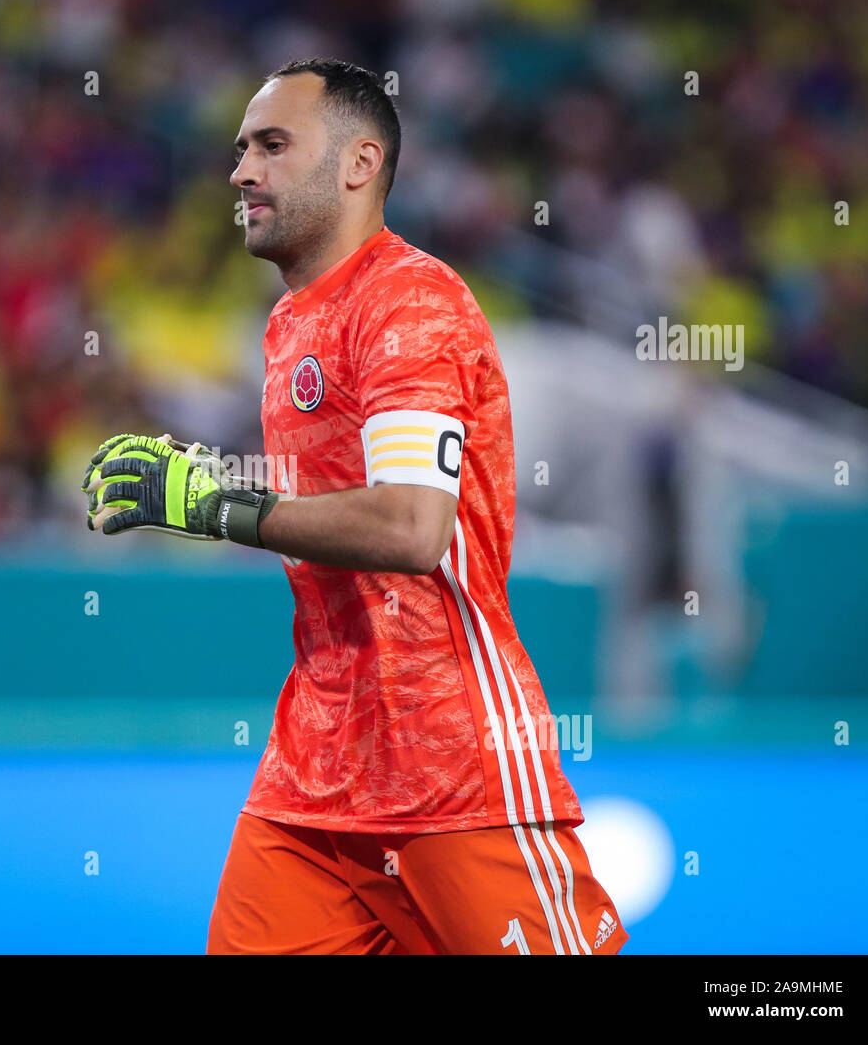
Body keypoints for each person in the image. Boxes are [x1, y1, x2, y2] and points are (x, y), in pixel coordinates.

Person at [83, 58, 627, 955]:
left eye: (271, 145)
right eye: (239, 149)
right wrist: (212, 483)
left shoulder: (411, 302)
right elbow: (325, 502)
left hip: (453, 768)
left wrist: (218, 506)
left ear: (357, 162)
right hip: (316, 776)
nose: (240, 171)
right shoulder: (292, 321)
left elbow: (411, 526)